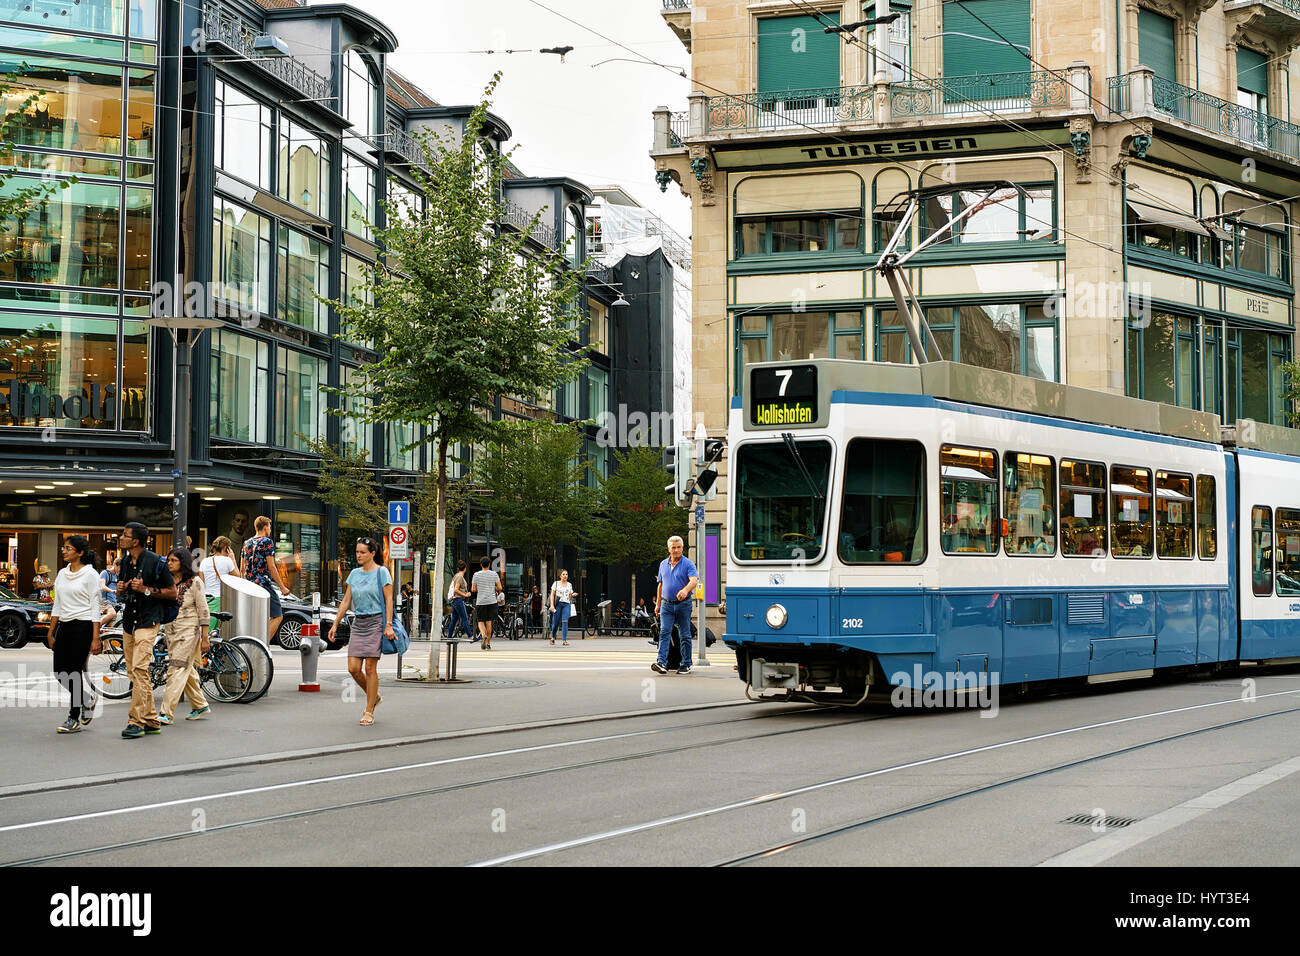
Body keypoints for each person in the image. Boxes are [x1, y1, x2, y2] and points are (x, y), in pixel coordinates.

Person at [116, 522, 175, 738]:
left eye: (125, 535)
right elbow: (120, 594)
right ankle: (151, 719)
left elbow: (172, 592)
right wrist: (120, 589)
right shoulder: (124, 561)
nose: (121, 538)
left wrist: (146, 590)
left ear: (136, 541)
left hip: (149, 620)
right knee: (134, 672)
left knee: (140, 669)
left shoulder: (156, 562)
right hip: (129, 621)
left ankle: (136, 721)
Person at [330, 537, 394, 726]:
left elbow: (389, 600)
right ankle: (374, 695)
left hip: (376, 622)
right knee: (353, 668)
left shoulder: (382, 573)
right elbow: (346, 601)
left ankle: (369, 710)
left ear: (372, 553)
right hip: (359, 623)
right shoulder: (354, 574)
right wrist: (335, 623)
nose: (358, 555)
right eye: (357, 552)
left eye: (362, 552)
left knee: (370, 668)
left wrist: (388, 624)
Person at [47, 536, 102, 734]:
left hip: (84, 626)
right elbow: (57, 605)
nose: (63, 550)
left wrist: (96, 637)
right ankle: (87, 698)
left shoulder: (90, 574)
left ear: (79, 552)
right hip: (64, 626)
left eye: (68, 548)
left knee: (73, 671)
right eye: (63, 547)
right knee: (59, 672)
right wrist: (51, 631)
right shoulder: (62, 573)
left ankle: (73, 717)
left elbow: (95, 606)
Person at [158, 547, 211, 725]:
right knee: (186, 669)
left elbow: (203, 609)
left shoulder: (195, 581)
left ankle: (166, 712)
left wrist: (205, 637)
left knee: (176, 670)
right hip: (171, 631)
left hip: (189, 631)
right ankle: (200, 705)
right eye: (168, 560)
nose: (169, 563)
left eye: (173, 560)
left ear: (183, 562)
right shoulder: (167, 581)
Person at [652, 535, 699, 675]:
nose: (676, 550)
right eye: (674, 547)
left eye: (679, 547)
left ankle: (685, 664)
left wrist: (685, 590)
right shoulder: (662, 564)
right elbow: (660, 585)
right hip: (666, 604)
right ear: (668, 549)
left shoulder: (688, 564)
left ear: (682, 548)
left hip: (683, 604)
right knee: (664, 632)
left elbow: (694, 580)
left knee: (684, 634)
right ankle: (661, 663)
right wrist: (658, 604)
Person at [240, 515, 290, 644]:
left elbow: (241, 568)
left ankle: (254, 642)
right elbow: (272, 567)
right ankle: (262, 644)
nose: (270, 530)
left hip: (248, 585)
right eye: (270, 527)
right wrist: (282, 587)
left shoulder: (246, 543)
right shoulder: (267, 542)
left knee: (256, 618)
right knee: (277, 615)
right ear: (265, 527)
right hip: (262, 584)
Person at [198, 537, 237, 632]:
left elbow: (201, 582)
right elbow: (237, 576)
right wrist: (232, 558)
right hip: (218, 598)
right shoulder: (227, 561)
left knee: (206, 628)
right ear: (226, 548)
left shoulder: (204, 561)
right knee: (212, 631)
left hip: (206, 598)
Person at [470, 556, 501, 649]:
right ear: (489, 564)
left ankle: (483, 635)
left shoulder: (476, 575)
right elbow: (500, 588)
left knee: (480, 621)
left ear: (480, 565)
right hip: (492, 601)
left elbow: (473, 589)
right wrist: (492, 587)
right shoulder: (494, 574)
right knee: (489, 622)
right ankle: (488, 643)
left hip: (481, 601)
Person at [445, 560, 473, 639]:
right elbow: (456, 589)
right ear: (465, 568)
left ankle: (449, 637)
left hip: (455, 600)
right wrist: (465, 595)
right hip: (458, 600)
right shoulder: (460, 577)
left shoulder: (456, 575)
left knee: (454, 620)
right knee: (464, 618)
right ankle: (470, 636)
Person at [549, 569, 574, 646]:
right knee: (555, 622)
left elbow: (570, 597)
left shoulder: (569, 584)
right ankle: (553, 637)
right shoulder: (556, 583)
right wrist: (552, 605)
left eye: (566, 574)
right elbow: (552, 595)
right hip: (558, 604)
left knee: (565, 621)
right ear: (560, 576)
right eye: (563, 574)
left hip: (566, 604)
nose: (565, 576)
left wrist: (572, 595)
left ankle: (564, 640)